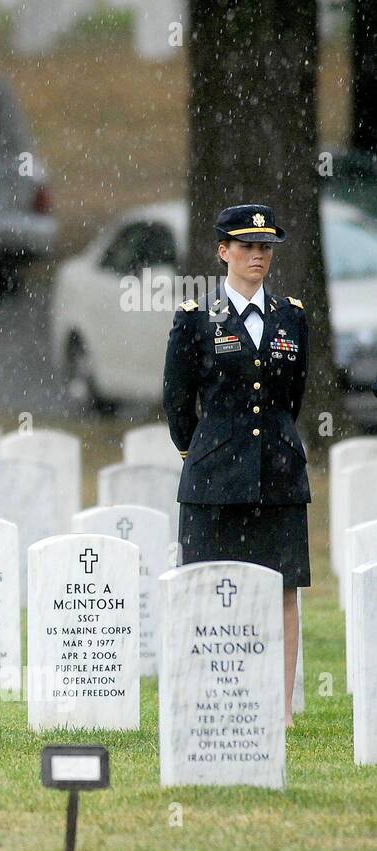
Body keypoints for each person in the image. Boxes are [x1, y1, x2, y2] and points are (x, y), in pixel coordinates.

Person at [163, 203, 309, 726]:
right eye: (247, 246)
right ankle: (206, 695)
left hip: (278, 472)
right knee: (206, 587)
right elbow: (179, 403)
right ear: (223, 251)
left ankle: (281, 707)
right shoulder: (196, 319)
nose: (258, 256)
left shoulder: (291, 316)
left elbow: (290, 398)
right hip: (214, 475)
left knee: (283, 586)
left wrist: (266, 448)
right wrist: (202, 454)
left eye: (266, 247)